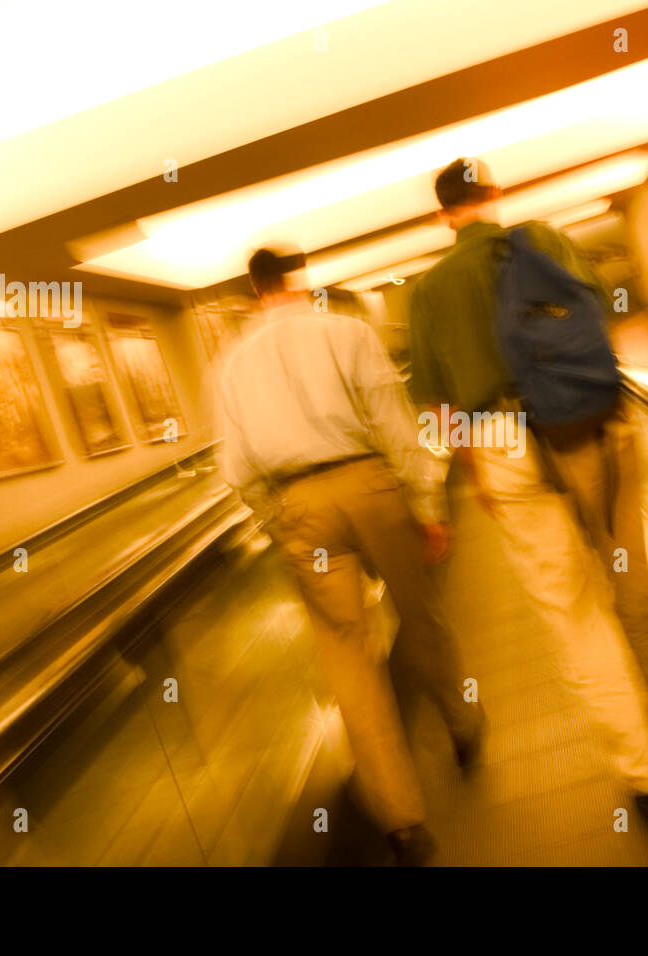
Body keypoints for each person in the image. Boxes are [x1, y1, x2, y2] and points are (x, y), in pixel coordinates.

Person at [405, 158, 648, 821]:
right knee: (627, 571)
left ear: (442, 215)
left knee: (572, 610)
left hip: (501, 443)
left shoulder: (429, 290)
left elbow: (436, 407)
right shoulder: (544, 241)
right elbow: (601, 319)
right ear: (494, 194)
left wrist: (476, 474)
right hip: (586, 423)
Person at [216, 248, 484, 865]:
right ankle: (462, 723)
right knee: (420, 613)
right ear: (298, 282)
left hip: (299, 505)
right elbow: (394, 423)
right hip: (371, 485)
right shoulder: (347, 331)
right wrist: (427, 505)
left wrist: (278, 516)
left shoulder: (232, 362)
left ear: (256, 290)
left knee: (347, 658)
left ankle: (403, 822)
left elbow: (236, 467)